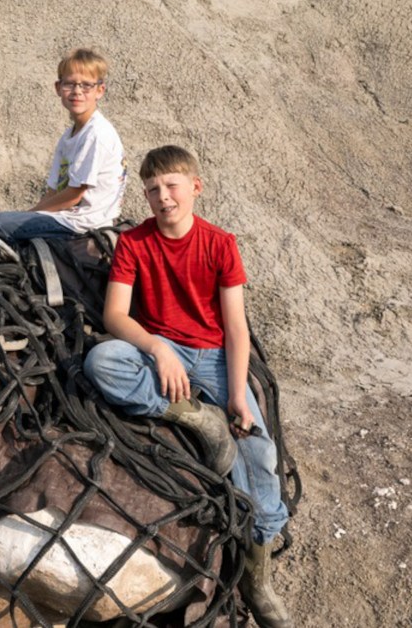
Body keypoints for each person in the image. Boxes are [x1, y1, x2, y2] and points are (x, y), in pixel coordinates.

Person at [82, 145, 291, 628]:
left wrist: (237, 393)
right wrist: (157, 347)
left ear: (195, 187)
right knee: (102, 361)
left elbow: (236, 328)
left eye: (172, 186)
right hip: (161, 349)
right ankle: (195, 417)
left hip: (214, 357)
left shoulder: (220, 243)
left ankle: (258, 581)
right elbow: (115, 315)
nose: (163, 197)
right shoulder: (135, 244)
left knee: (259, 453)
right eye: (153, 189)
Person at [0, 48, 126, 244]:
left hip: (84, 222)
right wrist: (26, 216)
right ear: (58, 88)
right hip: (67, 217)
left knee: (0, 223)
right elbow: (54, 191)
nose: (77, 91)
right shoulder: (69, 136)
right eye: (70, 84)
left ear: (99, 91)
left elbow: (74, 196)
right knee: (7, 221)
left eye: (86, 85)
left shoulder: (96, 134)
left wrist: (27, 216)